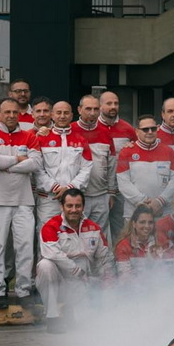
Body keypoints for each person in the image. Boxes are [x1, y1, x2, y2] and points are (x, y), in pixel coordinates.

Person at [0, 98, 41, 324]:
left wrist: (7, 165)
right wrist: (17, 160)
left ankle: (24, 291)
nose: (12, 115)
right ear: (0, 113)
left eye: (15, 112)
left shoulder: (29, 136)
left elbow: (35, 164)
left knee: (25, 248)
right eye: (7, 112)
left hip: (24, 201)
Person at [36, 188, 110, 325]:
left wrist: (107, 284)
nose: (74, 210)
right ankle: (52, 317)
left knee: (85, 327)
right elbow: (52, 254)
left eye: (78, 206)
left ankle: (72, 310)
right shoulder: (50, 227)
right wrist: (76, 270)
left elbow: (104, 259)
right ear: (61, 207)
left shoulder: (94, 228)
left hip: (83, 284)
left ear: (83, 207)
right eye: (69, 206)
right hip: (59, 284)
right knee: (45, 265)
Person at [67, 94, 119, 240]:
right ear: (79, 109)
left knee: (98, 236)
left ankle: (98, 264)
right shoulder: (69, 130)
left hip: (101, 195)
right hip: (76, 195)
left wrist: (111, 192)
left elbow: (111, 164)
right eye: (88, 108)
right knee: (74, 235)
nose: (92, 112)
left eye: (95, 109)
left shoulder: (106, 133)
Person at [33, 101, 89, 227]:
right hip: (48, 198)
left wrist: (69, 188)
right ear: (52, 115)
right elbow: (37, 168)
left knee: (73, 233)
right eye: (58, 113)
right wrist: (55, 188)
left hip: (74, 199)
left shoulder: (81, 139)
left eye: (66, 113)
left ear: (71, 115)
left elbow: (86, 168)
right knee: (45, 233)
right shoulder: (41, 138)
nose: (62, 116)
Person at [119, 116, 174, 212]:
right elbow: (123, 183)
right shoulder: (126, 152)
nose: (150, 132)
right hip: (134, 211)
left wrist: (160, 201)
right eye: (145, 129)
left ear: (158, 128)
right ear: (137, 131)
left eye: (153, 129)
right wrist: (142, 201)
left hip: (163, 211)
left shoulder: (169, 151)